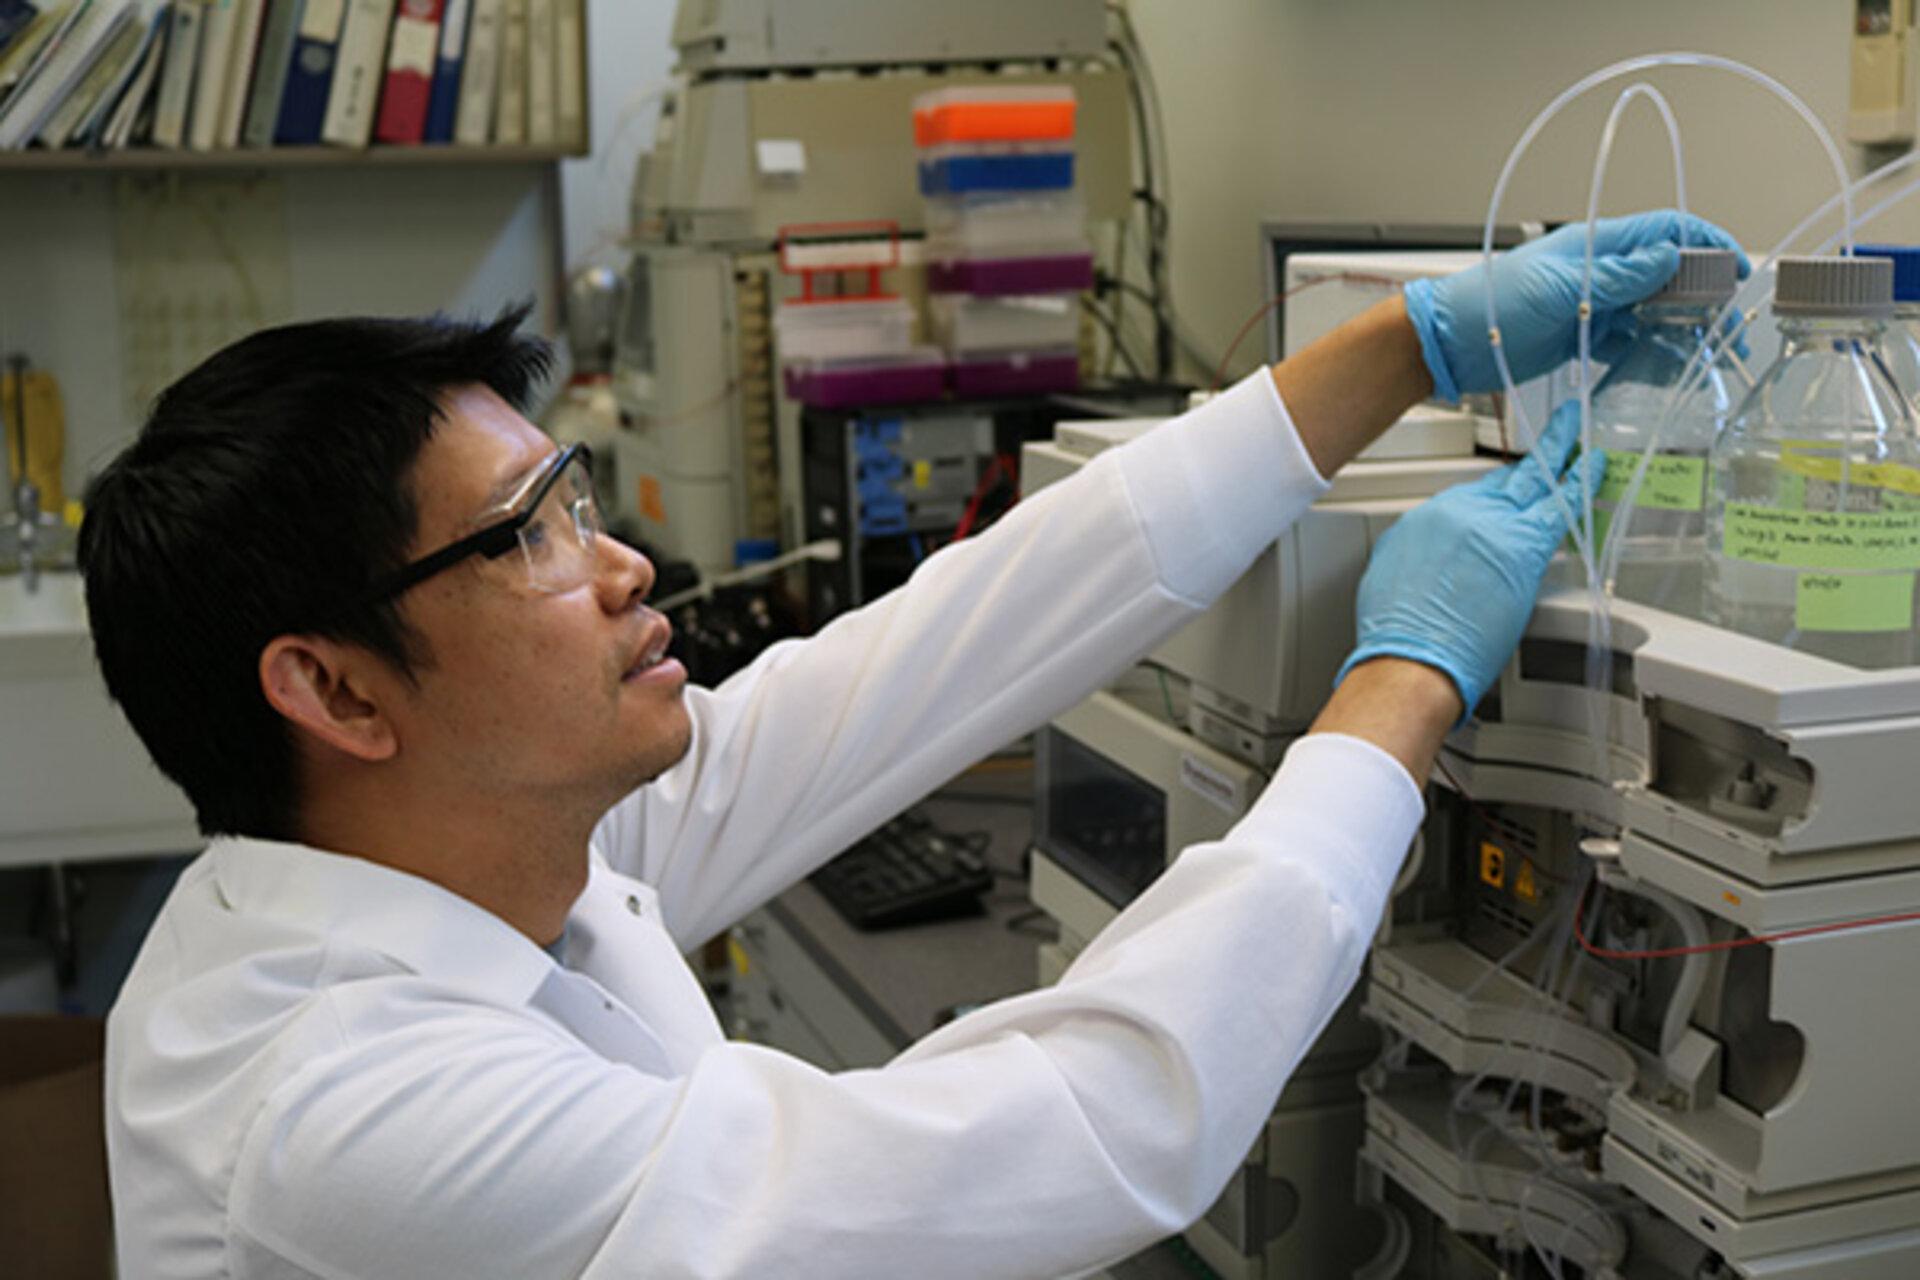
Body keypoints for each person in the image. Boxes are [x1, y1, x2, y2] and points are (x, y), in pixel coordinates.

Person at [82, 212, 1744, 1279]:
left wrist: (1412, 344)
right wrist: (1402, 686)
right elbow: (1102, 1123)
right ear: (339, 693)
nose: (620, 565)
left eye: (577, 496)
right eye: (526, 537)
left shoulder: (460, 849)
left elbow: (927, 654)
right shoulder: (351, 1122)